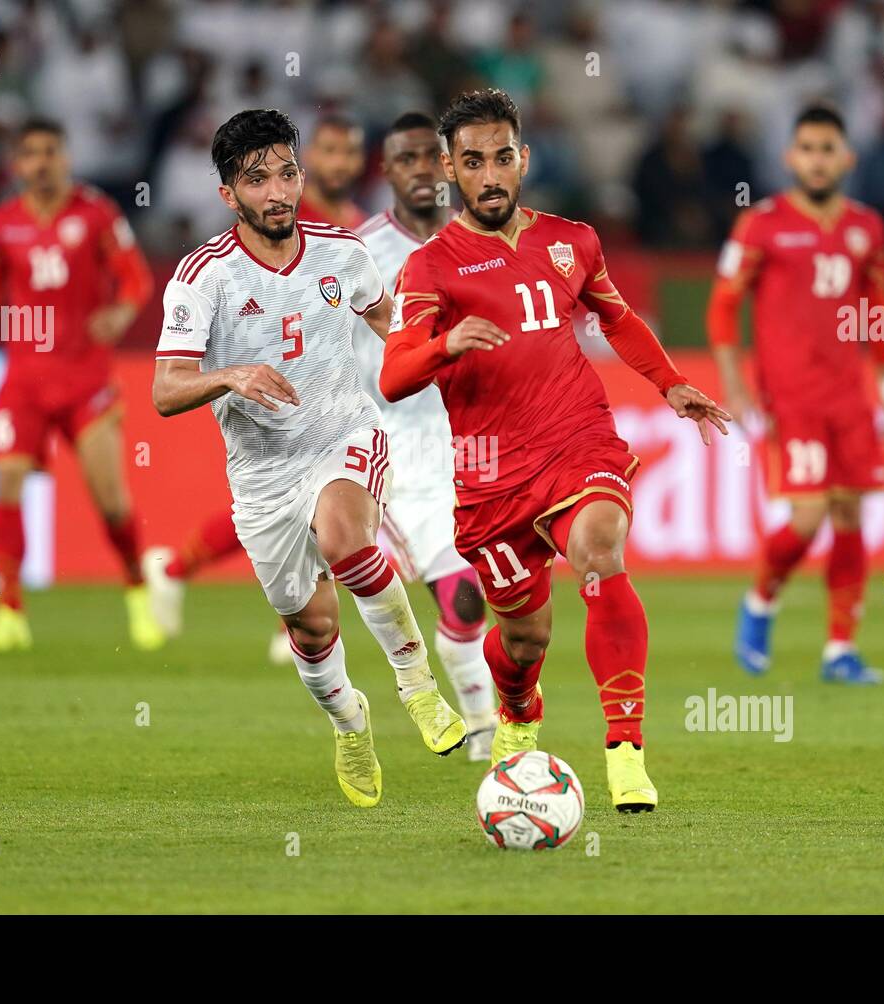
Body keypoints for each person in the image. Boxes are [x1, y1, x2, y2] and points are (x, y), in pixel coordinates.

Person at [380, 89, 730, 812]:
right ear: (450, 169)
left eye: (502, 157)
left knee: (602, 552)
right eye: (472, 162)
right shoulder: (431, 268)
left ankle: (625, 750)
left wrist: (670, 385)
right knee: (525, 637)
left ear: (524, 158)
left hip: (578, 440)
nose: (491, 175)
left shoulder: (573, 240)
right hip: (491, 477)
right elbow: (393, 375)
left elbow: (617, 316)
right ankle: (517, 710)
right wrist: (448, 343)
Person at [151, 109, 467, 808]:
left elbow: (392, 325)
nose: (278, 192)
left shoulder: (342, 252)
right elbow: (165, 390)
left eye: (287, 173)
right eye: (257, 179)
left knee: (346, 537)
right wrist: (227, 376)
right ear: (229, 195)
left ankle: (417, 687)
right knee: (311, 625)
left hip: (344, 436)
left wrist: (445, 358)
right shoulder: (203, 277)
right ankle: (350, 722)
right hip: (262, 474)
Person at [706, 104, 884, 685]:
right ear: (791, 157)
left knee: (849, 512)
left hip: (848, 395)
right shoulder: (763, 224)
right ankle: (761, 600)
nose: (818, 160)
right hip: (790, 395)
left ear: (847, 158)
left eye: (828, 149)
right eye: (808, 149)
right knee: (809, 513)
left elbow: (875, 314)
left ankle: (840, 650)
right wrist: (734, 383)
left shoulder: (867, 227)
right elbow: (723, 305)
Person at [0, 118, 163, 653]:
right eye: (31, 154)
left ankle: (137, 588)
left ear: (65, 157)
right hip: (23, 380)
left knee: (111, 503)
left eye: (50, 151)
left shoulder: (96, 215)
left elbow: (137, 278)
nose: (41, 162)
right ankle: (10, 614)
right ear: (18, 164)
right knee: (7, 484)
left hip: (85, 380)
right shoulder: (2, 223)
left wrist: (119, 313)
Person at [354, 111, 497, 762]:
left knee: (512, 600)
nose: (417, 169)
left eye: (426, 157)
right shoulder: (359, 255)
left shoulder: (486, 240)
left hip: (482, 439)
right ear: (386, 171)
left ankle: (495, 721)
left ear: (446, 167)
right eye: (403, 158)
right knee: (464, 597)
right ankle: (485, 730)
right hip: (406, 450)